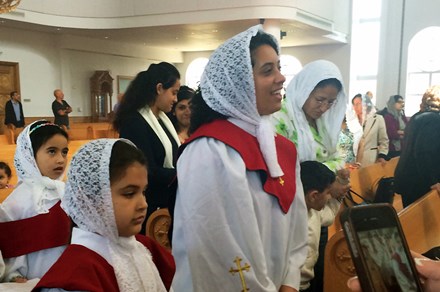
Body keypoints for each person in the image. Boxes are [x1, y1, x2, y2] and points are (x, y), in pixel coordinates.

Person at [172, 25, 308, 292]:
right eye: (267, 71)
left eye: (279, 67)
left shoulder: (282, 149)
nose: (281, 78)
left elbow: (297, 229)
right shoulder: (209, 150)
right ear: (239, 81)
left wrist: (290, 282)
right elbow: (215, 248)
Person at [33, 139, 175, 292]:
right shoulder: (73, 278)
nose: (143, 204)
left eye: (143, 192)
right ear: (90, 200)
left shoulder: (144, 248)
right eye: (129, 194)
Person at [272, 59, 349, 292]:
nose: (324, 108)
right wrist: (329, 179)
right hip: (291, 213)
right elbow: (285, 167)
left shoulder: (320, 124)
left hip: (319, 208)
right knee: (293, 276)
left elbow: (336, 156)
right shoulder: (280, 119)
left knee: (315, 271)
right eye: (320, 99)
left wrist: (336, 179)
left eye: (330, 102)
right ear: (305, 89)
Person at [113, 62, 181, 232]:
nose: (176, 99)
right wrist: (185, 172)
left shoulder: (165, 120)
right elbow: (146, 170)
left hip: (168, 199)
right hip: (150, 204)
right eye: (174, 92)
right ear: (159, 88)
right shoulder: (135, 122)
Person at [0, 120, 70, 282]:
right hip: (33, 279)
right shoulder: (15, 203)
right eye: (52, 151)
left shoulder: (67, 193)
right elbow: (11, 250)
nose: (61, 159)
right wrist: (13, 275)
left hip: (68, 275)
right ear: (30, 155)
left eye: (64, 152)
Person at [395, 85, 440, 207]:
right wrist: (434, 181)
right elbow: (424, 152)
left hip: (410, 180)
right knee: (421, 225)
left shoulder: (417, 117)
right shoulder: (434, 119)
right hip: (421, 183)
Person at [299, 161, 339, 292]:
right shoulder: (292, 220)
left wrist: (338, 195)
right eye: (328, 193)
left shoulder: (315, 211)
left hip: (307, 282)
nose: (329, 197)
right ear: (314, 195)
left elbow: (330, 214)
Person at [355, 94, 389, 167]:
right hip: (352, 161)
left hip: (371, 160)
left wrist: (382, 156)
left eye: (360, 104)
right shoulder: (350, 121)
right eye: (355, 104)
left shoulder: (378, 119)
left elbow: (384, 141)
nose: (357, 107)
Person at [379, 95, 408, 159]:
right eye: (399, 102)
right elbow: (392, 134)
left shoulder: (402, 116)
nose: (402, 104)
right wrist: (403, 133)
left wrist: (400, 132)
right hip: (392, 149)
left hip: (402, 148)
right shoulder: (388, 117)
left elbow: (409, 129)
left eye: (402, 102)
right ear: (393, 103)